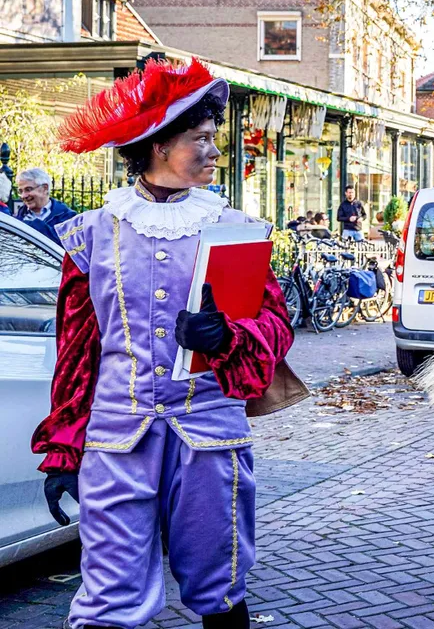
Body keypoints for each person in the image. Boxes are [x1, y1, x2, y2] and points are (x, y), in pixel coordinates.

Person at [31, 57, 294, 629]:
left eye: (212, 138)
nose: (214, 151)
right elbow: (76, 353)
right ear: (158, 145)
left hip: (208, 436)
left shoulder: (233, 228)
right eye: (200, 139)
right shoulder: (94, 232)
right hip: (115, 437)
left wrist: (229, 334)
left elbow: (276, 327)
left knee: (217, 585)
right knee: (107, 597)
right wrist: (64, 450)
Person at [14, 167, 76, 245]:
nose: (23, 195)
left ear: (45, 188)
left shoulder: (67, 217)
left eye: (28, 189)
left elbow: (65, 246)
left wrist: (33, 225)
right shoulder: (18, 217)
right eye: (20, 191)